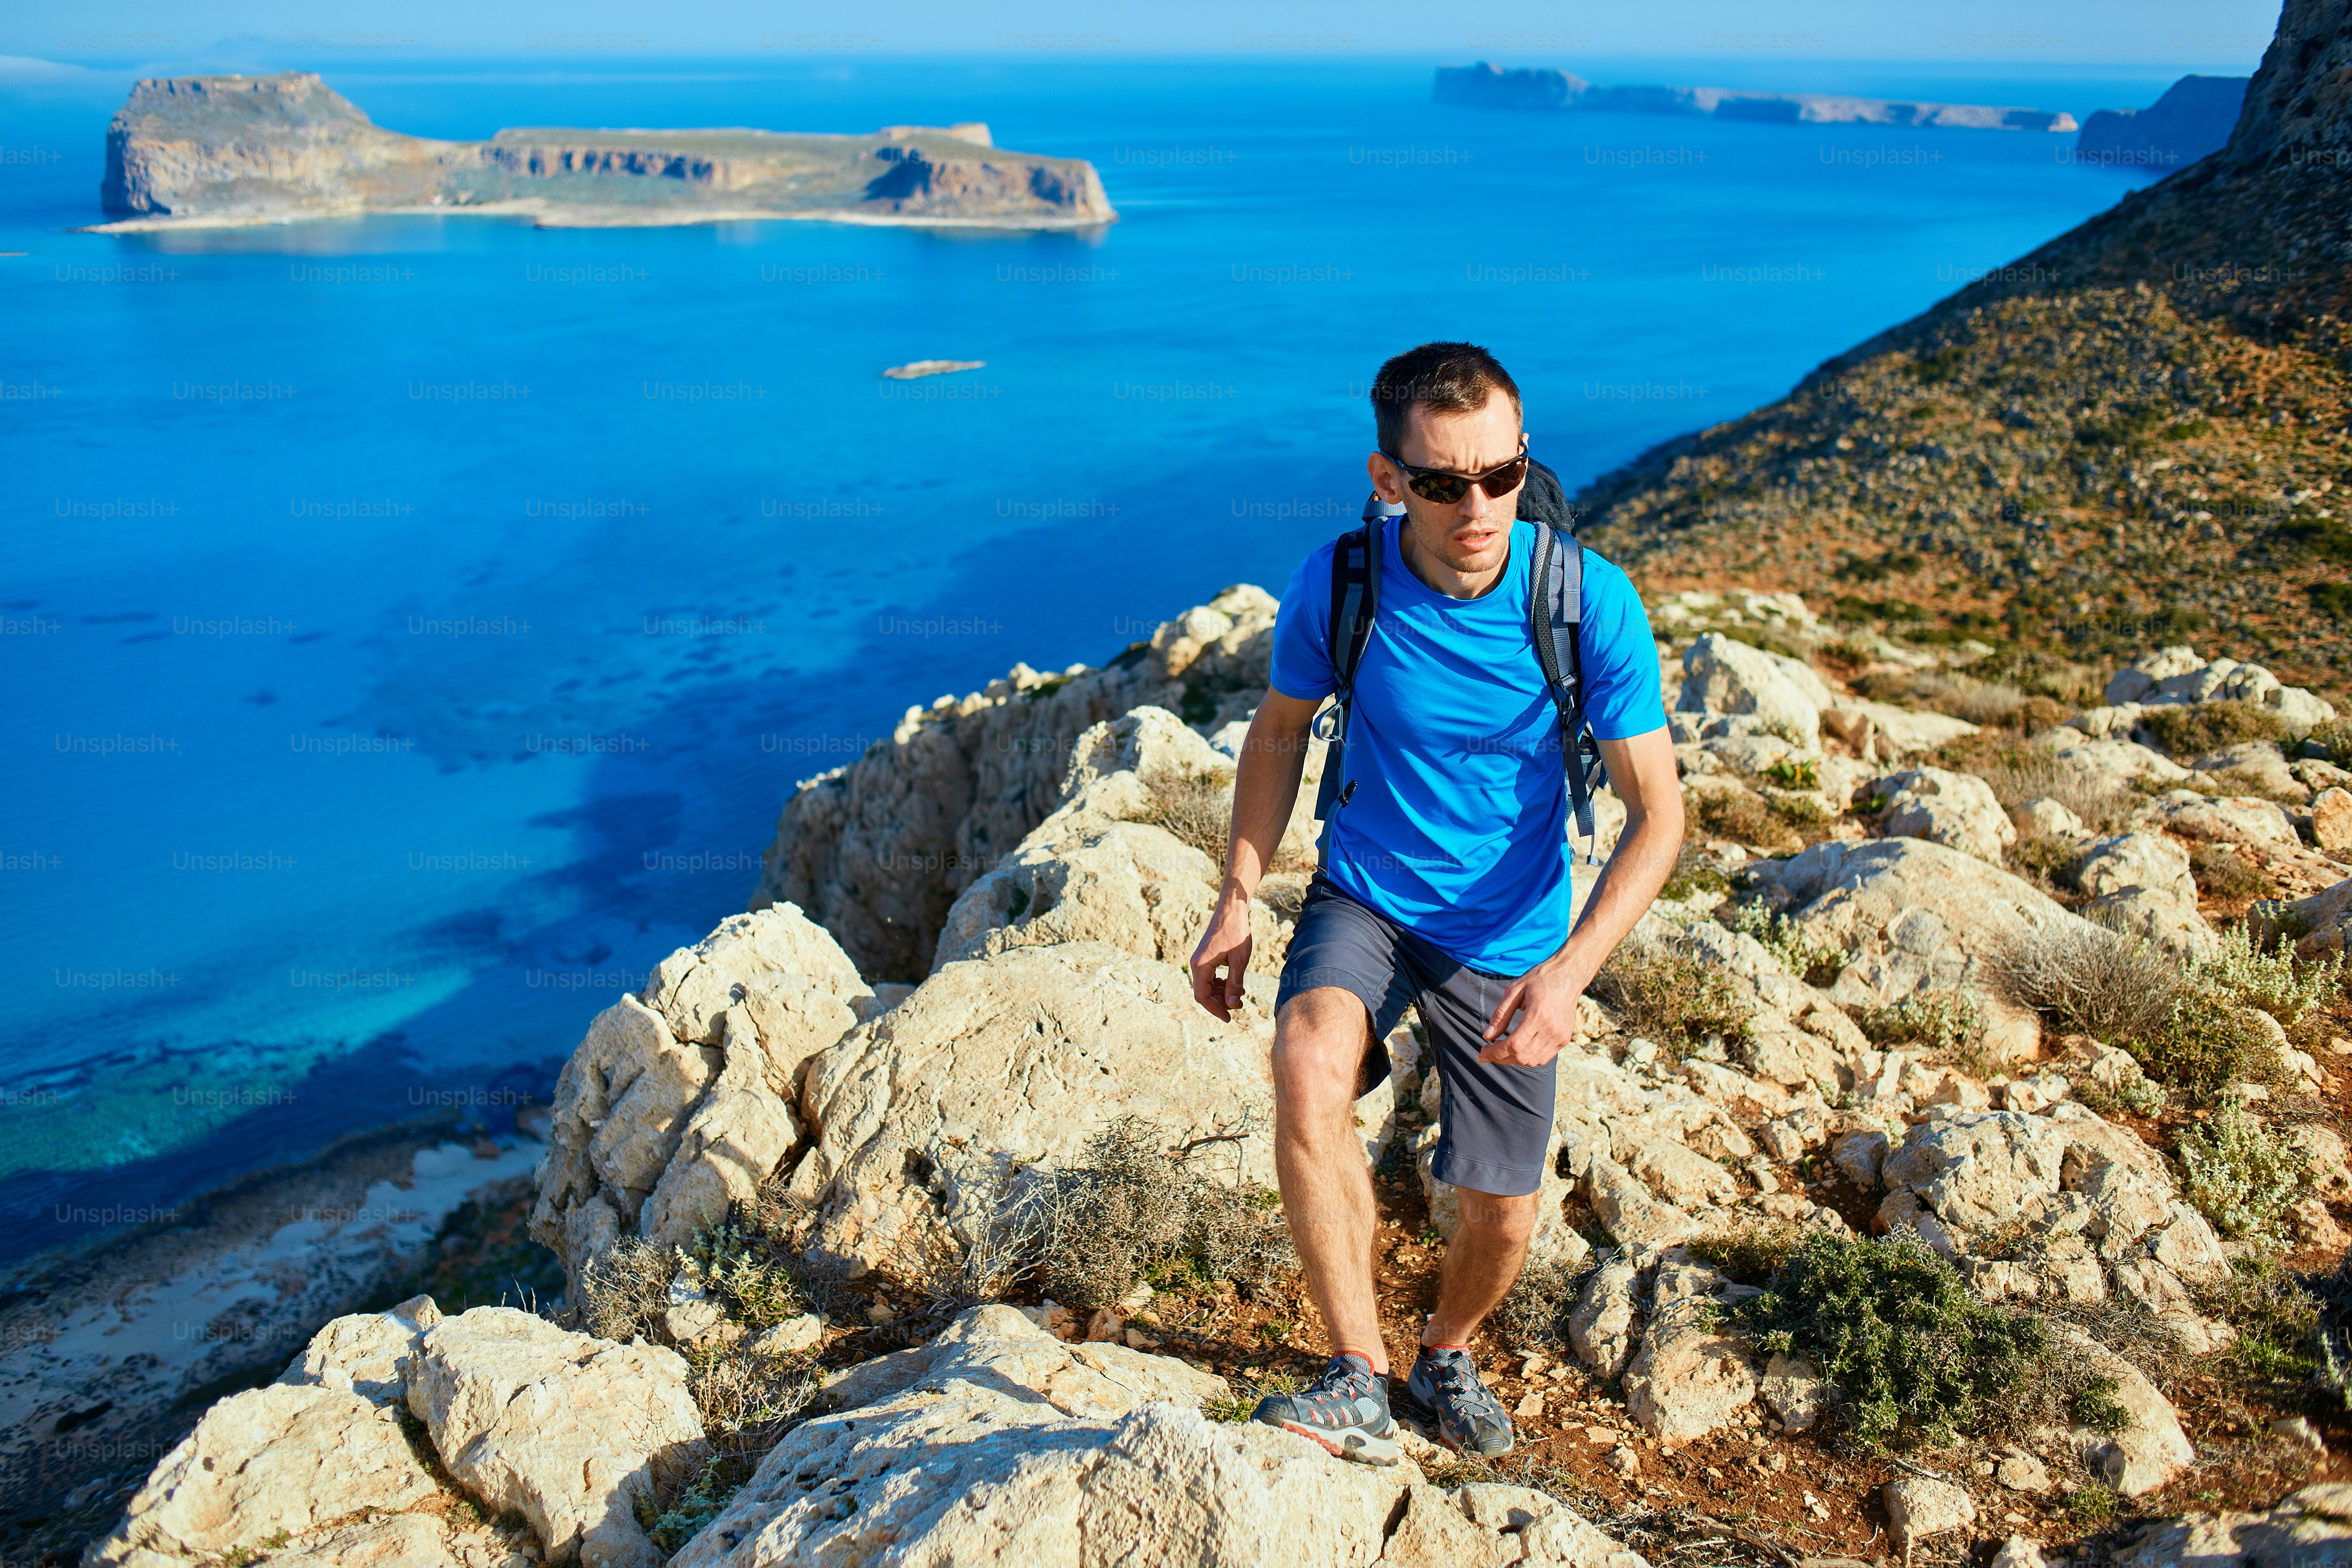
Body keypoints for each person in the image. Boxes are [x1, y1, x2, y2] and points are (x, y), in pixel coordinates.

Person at [1188, 341, 1683, 1462]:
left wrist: (1564, 977)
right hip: (1365, 893)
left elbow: (1660, 816)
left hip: (1510, 932)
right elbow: (1276, 731)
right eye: (1441, 483)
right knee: (1306, 1058)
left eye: (1500, 476)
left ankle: (1445, 1351)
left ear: (1522, 460)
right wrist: (1236, 895)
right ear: (1386, 478)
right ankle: (1355, 1372)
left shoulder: (1583, 601)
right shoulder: (1343, 580)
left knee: (1499, 1210)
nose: (1476, 507)